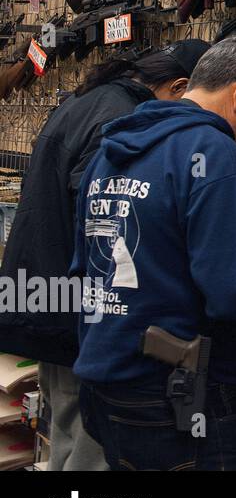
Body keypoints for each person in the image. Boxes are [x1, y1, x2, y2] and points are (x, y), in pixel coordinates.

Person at [71, 36, 236, 471]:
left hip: (107, 386)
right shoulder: (215, 155)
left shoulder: (112, 151)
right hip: (179, 398)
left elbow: (85, 267)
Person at [0, 40, 210, 471]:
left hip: (46, 297)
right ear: (178, 86)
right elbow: (103, 221)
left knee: (66, 431)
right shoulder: (121, 116)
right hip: (74, 310)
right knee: (92, 445)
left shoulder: (90, 99)